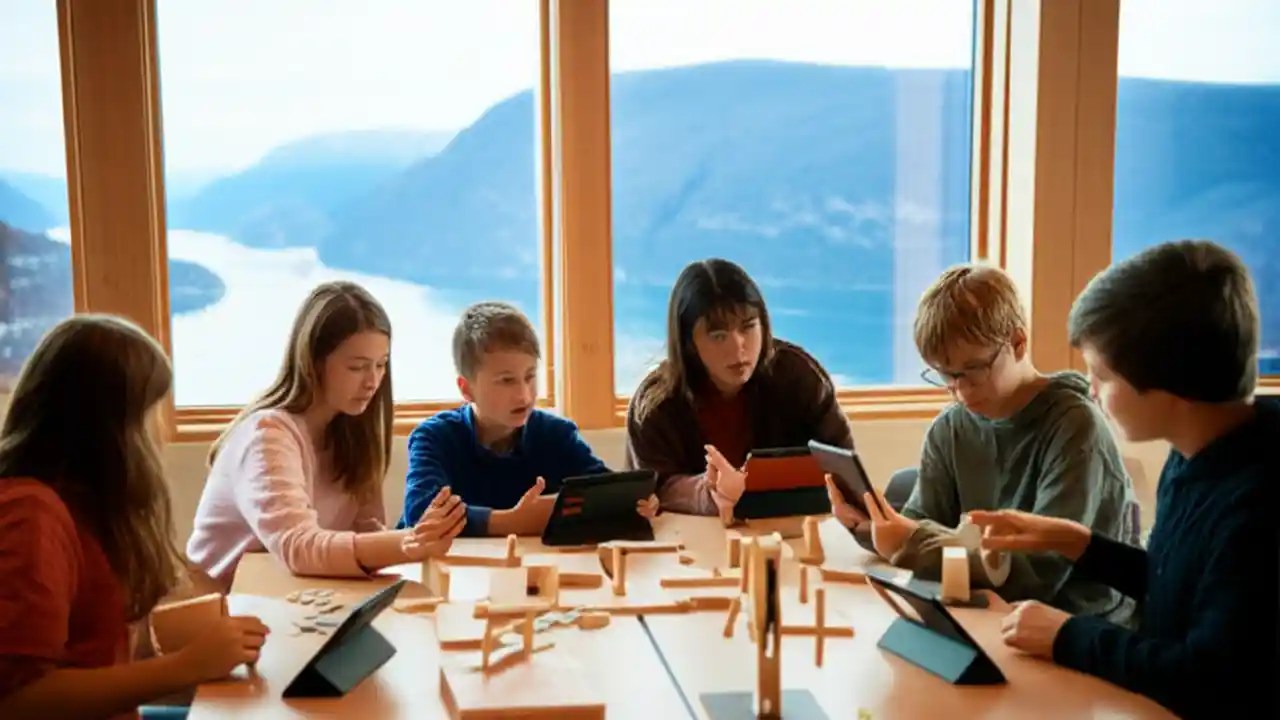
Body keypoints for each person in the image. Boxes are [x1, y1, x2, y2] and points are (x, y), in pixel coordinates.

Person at [969, 240, 1279, 719]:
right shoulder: (1196, 451)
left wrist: (1068, 635)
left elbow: (1209, 680)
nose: (1091, 389)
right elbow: (1182, 586)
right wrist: (1078, 542)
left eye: (1102, 375)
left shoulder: (1259, 507)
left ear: (1173, 384)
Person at [828, 264, 1138, 622]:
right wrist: (870, 528)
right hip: (988, 609)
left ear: (1018, 343)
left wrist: (909, 542)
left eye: (973, 370)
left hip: (1078, 621)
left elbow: (1037, 575)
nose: (960, 390)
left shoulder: (1075, 427)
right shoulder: (950, 427)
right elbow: (916, 527)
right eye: (946, 375)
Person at [0, 316, 268, 719]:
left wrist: (212, 636)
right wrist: (186, 666)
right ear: (107, 427)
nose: (160, 432)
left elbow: (96, 645)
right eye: (151, 412)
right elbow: (18, 700)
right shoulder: (31, 516)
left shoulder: (88, 503)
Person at [188, 281, 464, 590]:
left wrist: (418, 538)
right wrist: (407, 542)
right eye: (357, 367)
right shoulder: (267, 434)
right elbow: (298, 546)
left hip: (292, 597)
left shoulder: (353, 432)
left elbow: (365, 535)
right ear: (313, 363)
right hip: (223, 605)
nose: (372, 381)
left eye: (381, 365)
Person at [399, 301, 658, 536]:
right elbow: (420, 513)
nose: (523, 395)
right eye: (506, 381)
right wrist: (509, 522)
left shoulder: (556, 434)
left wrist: (637, 501)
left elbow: (604, 491)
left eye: (530, 376)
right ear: (467, 389)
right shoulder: (434, 437)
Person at [624, 258, 853, 522]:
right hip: (688, 538)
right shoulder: (655, 403)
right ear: (688, 343)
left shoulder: (798, 377)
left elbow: (843, 467)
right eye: (718, 336)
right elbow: (655, 487)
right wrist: (708, 491)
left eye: (748, 327)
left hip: (787, 530)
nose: (738, 347)